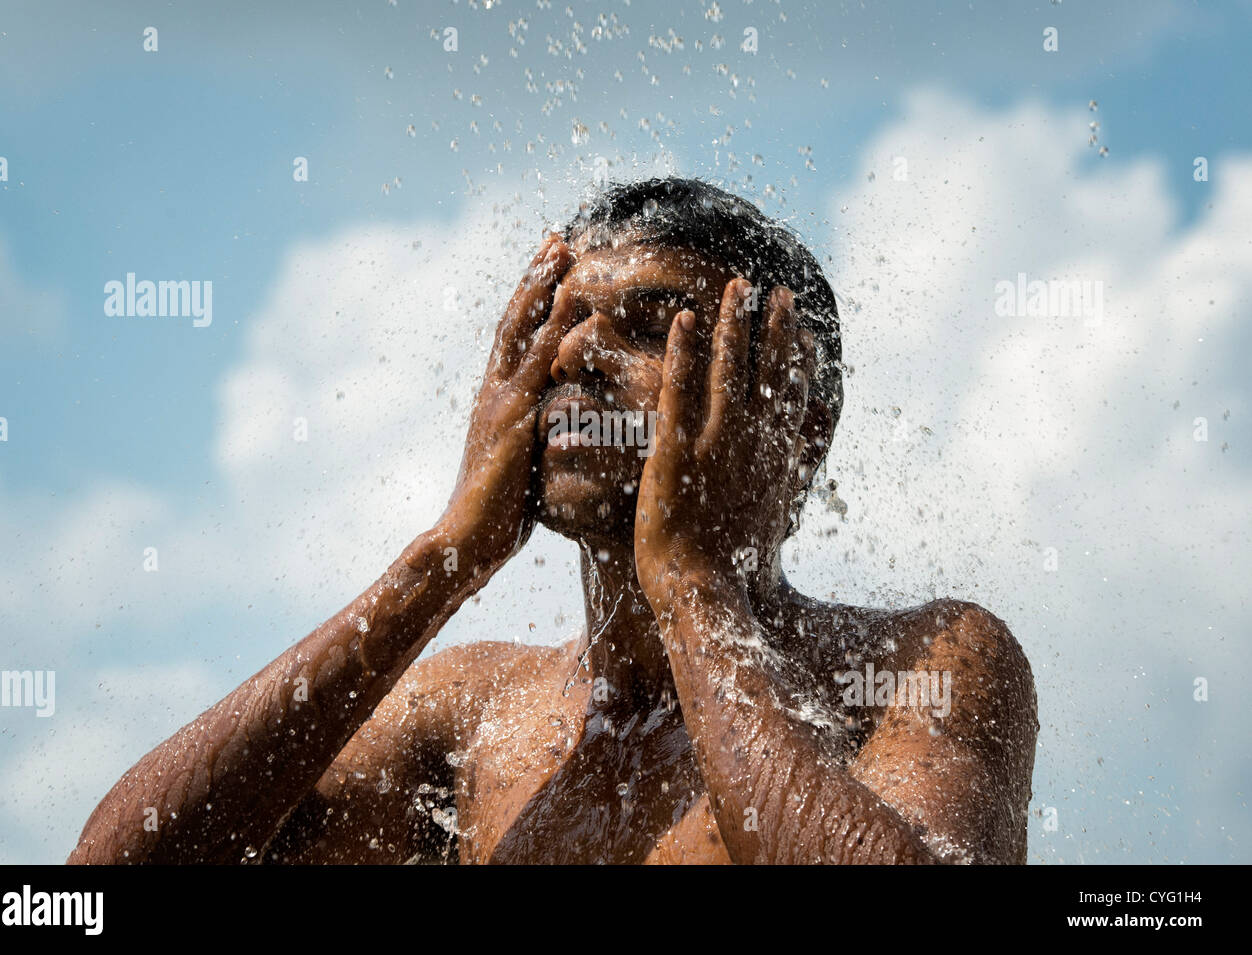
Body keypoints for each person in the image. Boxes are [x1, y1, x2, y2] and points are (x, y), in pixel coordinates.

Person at [69, 178, 1038, 865]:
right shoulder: (469, 714)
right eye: (555, 325)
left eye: (653, 323)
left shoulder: (923, 661)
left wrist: (691, 583)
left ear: (796, 415)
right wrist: (445, 556)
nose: (576, 356)